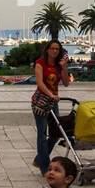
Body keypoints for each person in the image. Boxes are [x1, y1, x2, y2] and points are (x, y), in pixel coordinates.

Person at [31, 40, 71, 175]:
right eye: (52, 48)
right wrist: (51, 94)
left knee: (55, 133)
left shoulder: (59, 66)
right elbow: (40, 83)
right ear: (47, 50)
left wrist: (64, 67)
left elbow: (66, 83)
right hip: (41, 102)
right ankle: (45, 167)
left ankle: (39, 159)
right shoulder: (40, 63)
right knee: (42, 134)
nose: (55, 51)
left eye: (57, 49)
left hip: (53, 102)